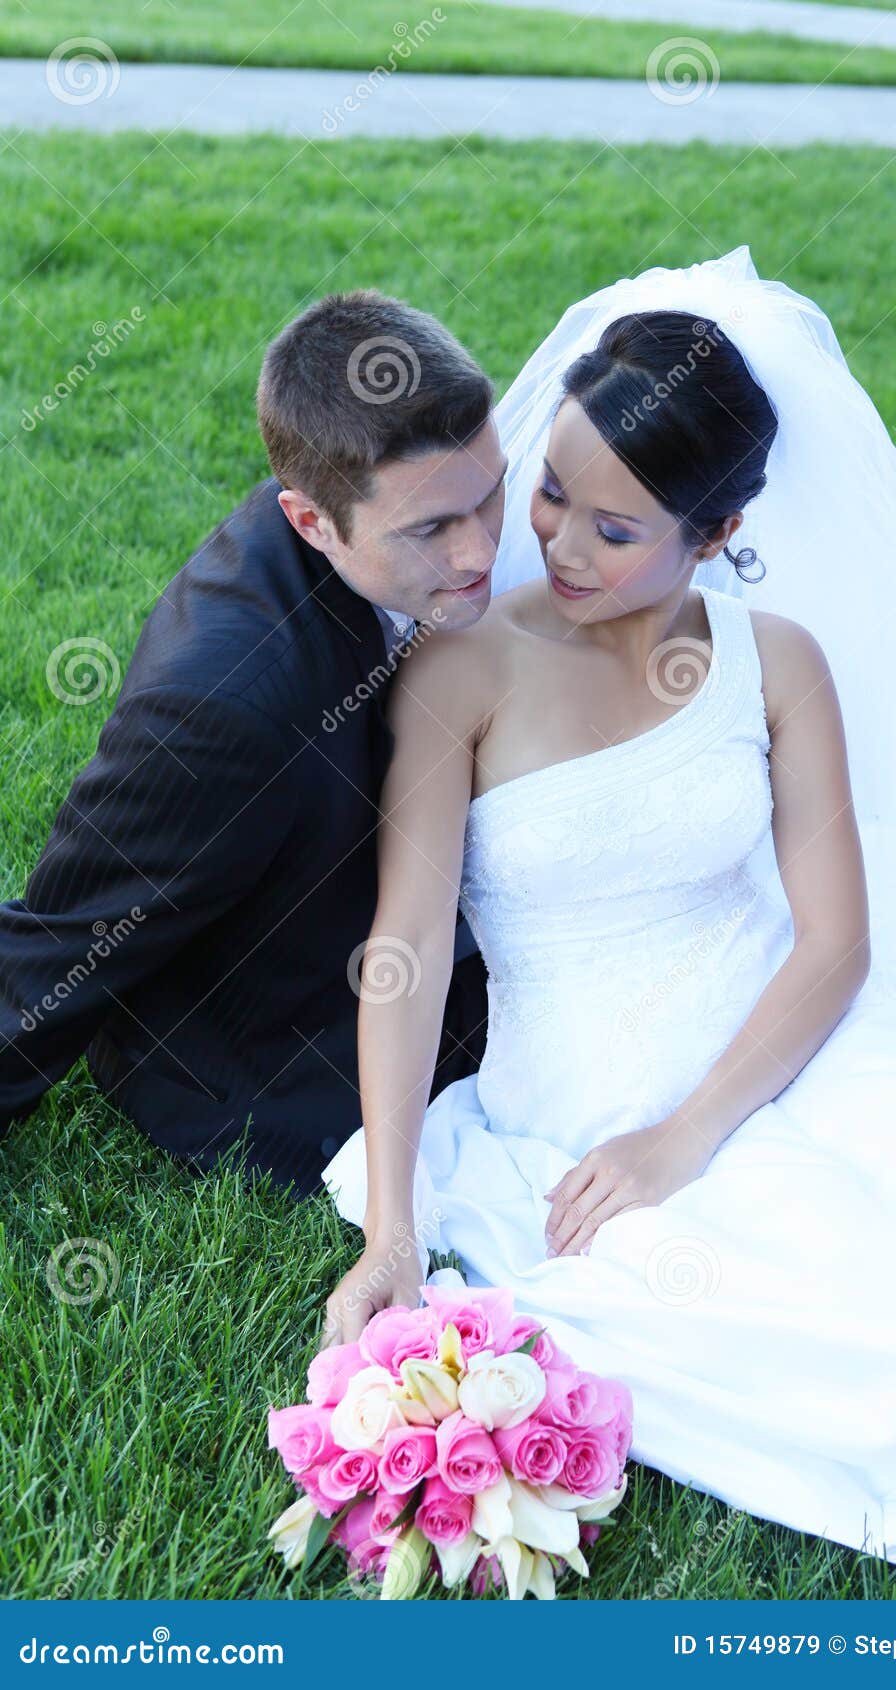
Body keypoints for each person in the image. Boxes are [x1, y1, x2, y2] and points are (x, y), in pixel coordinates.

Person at [320, 250, 896, 1575]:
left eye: (614, 529)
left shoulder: (774, 661)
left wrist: (684, 1136)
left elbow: (834, 939)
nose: (555, 541)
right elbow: (408, 945)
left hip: (787, 1052)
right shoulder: (465, 668)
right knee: (859, 1337)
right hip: (574, 1110)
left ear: (714, 535)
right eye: (548, 492)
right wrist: (393, 1224)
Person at [0, 290, 504, 1193]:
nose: (479, 554)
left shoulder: (364, 495)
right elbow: (65, 944)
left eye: (490, 496)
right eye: (431, 530)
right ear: (309, 520)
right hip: (281, 1055)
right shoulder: (220, 709)